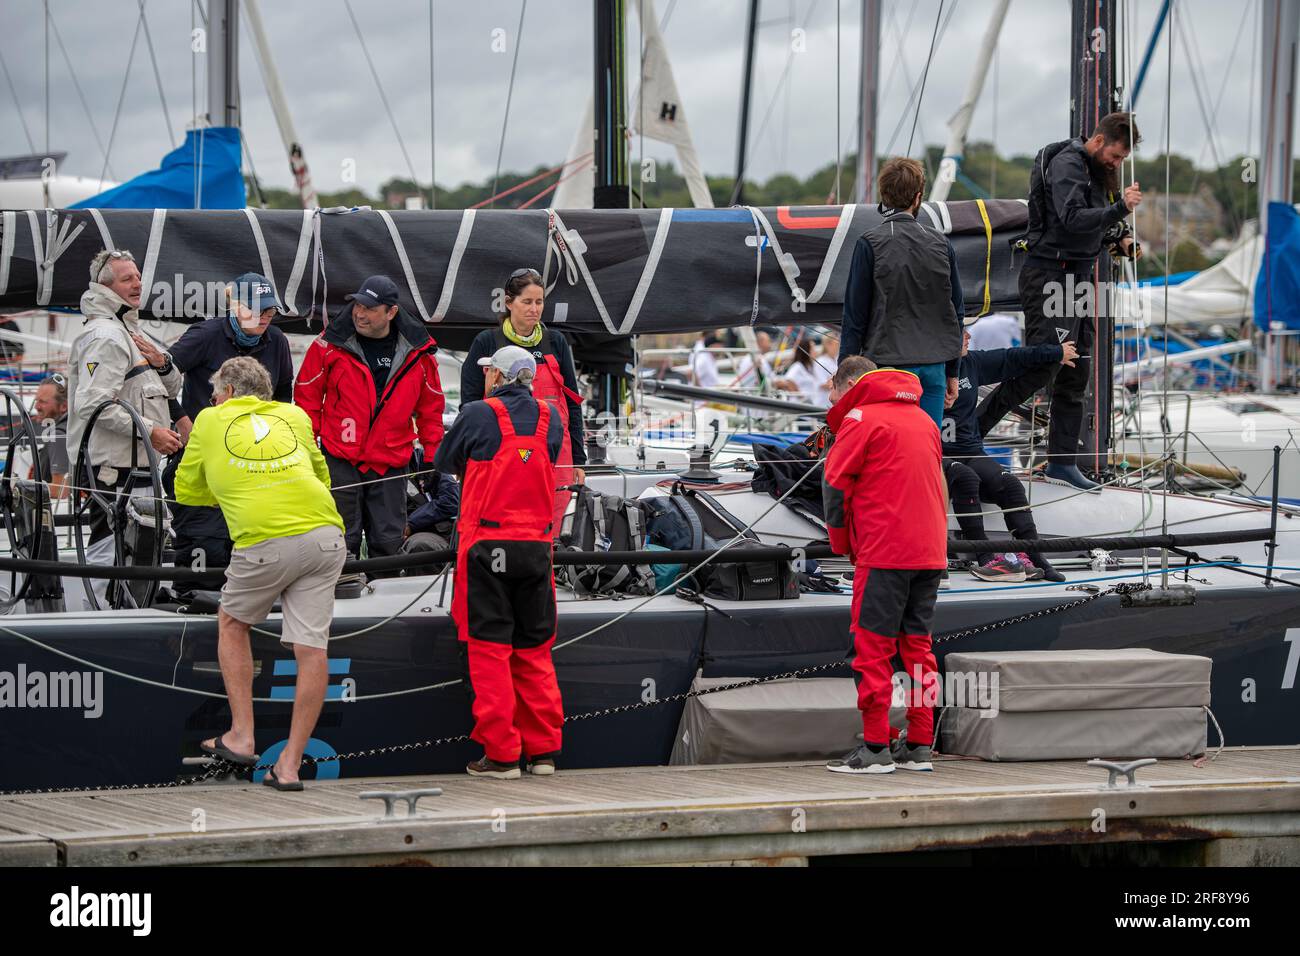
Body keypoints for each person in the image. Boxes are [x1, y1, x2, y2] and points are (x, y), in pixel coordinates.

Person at [175, 357, 347, 791]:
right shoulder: (293, 414)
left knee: (232, 623)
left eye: (215, 393)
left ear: (228, 393)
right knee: (311, 648)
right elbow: (321, 474)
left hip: (266, 538)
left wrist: (233, 490)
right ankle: (288, 766)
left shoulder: (211, 420)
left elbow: (186, 488)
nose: (213, 400)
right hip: (326, 535)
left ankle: (241, 735)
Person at [976, 112, 1143, 491]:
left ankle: (1062, 463)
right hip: (1049, 275)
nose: (1117, 164)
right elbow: (1071, 219)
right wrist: (1121, 210)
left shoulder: (1103, 173)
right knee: (1042, 367)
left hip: (1082, 277)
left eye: (1122, 160)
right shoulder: (1067, 163)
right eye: (1115, 157)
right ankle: (970, 434)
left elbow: (1103, 222)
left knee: (1077, 371)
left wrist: (1123, 238)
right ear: (1099, 141)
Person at [436, 345, 566, 779]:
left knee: (489, 653)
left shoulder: (476, 413)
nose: (486, 376)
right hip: (536, 549)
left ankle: (503, 756)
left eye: (489, 370)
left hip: (486, 547)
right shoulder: (552, 419)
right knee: (534, 650)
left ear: (499, 376)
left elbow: (445, 462)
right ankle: (544, 753)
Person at [821, 355, 947, 775]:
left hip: (884, 552)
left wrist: (842, 545)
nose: (829, 395)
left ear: (851, 384)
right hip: (930, 552)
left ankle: (875, 749)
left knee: (871, 650)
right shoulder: (924, 420)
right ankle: (919, 744)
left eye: (833, 387)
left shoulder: (860, 417)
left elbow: (835, 484)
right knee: (918, 650)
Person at [295, 274, 445, 562]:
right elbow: (306, 399)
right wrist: (307, 449)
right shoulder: (327, 346)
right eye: (357, 306)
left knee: (388, 543)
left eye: (369, 309)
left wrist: (432, 455)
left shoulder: (420, 354)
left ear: (391, 312)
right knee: (338, 541)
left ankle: (384, 599)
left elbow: (431, 409)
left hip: (390, 463)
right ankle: (338, 599)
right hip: (340, 460)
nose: (359, 314)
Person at [165, 274, 295, 595]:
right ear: (235, 307)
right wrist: (180, 420)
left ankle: (243, 608)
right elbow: (158, 376)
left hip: (253, 463)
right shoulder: (205, 335)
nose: (265, 317)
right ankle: (191, 601)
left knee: (250, 544)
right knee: (202, 543)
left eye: (270, 311)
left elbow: (282, 395)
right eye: (257, 310)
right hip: (203, 460)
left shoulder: (276, 341)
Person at [66, 249, 183, 567]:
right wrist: (152, 432)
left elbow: (172, 388)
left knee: (141, 552)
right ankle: (104, 613)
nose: (137, 284)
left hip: (138, 471)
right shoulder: (106, 337)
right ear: (104, 287)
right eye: (127, 278)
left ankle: (130, 608)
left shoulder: (132, 332)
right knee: (109, 553)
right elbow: (91, 404)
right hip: (114, 474)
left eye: (139, 277)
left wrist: (163, 363)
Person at [943, 327, 1077, 583]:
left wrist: (1055, 353)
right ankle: (985, 557)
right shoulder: (925, 370)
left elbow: (1012, 357)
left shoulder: (971, 363)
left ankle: (1034, 555)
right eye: (961, 331)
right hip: (935, 455)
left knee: (1010, 484)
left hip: (969, 451)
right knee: (965, 477)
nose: (969, 336)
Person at [840, 157, 965, 428]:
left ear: (883, 196)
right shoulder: (942, 244)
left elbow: (854, 316)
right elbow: (956, 311)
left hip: (888, 366)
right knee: (927, 447)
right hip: (935, 367)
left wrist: (843, 375)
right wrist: (953, 372)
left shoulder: (869, 244)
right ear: (918, 197)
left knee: (890, 448)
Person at [461, 268, 584, 530]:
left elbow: (572, 404)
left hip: (552, 457)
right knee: (501, 525)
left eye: (539, 302)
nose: (534, 309)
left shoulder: (556, 342)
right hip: (500, 456)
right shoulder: (486, 341)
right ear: (508, 302)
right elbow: (469, 403)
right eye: (526, 302)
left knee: (548, 529)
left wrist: (579, 460)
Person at [31, 374, 70, 499]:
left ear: (64, 406)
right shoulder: (72, 428)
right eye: (37, 400)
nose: (36, 407)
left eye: (42, 402)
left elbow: (60, 490)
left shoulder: (58, 435)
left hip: (55, 513)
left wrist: (18, 488)